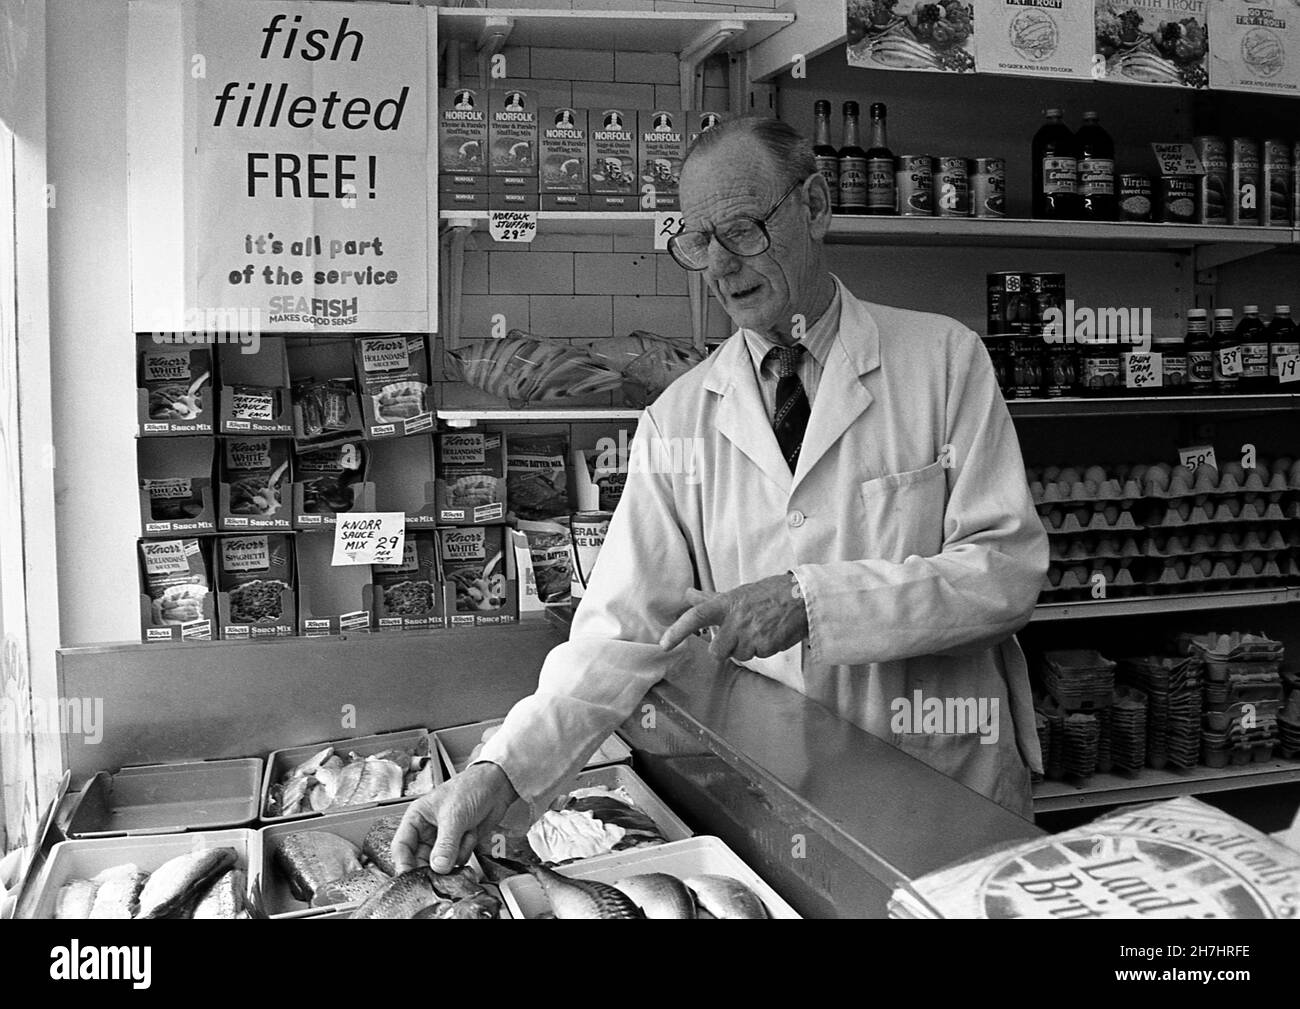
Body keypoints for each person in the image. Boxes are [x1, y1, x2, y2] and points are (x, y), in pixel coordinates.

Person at [394, 116, 1049, 876]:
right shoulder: (678, 419)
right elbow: (619, 629)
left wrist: (812, 600)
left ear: (815, 205)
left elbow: (1004, 573)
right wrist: (496, 773)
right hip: (784, 794)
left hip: (944, 781)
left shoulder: (942, 361)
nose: (720, 266)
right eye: (697, 241)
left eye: (742, 230)